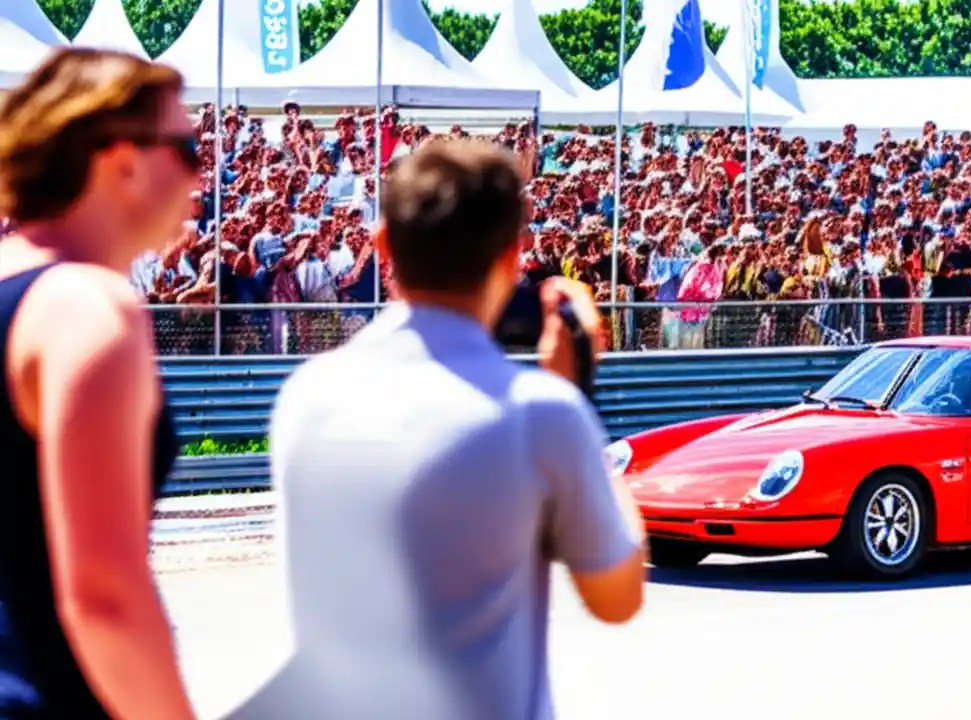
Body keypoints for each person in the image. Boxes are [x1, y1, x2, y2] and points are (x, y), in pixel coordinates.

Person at [232, 139, 646, 720]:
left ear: (383, 247)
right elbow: (617, 595)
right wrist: (580, 398)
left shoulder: (307, 396)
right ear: (512, 257)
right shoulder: (542, 413)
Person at [0, 48, 198, 719]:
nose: (202, 177)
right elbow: (104, 593)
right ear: (121, 159)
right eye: (189, 149)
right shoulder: (88, 307)